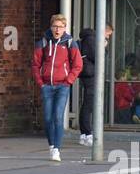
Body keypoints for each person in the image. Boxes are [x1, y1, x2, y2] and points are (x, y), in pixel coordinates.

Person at [33, 14, 82, 163]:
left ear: (64, 28)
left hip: (62, 86)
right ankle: (51, 144)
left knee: (58, 117)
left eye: (60, 27)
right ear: (51, 27)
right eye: (55, 26)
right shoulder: (43, 42)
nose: (57, 29)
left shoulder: (70, 43)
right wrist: (40, 83)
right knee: (47, 119)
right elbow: (35, 64)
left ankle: (57, 149)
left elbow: (78, 65)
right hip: (47, 85)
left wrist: (69, 81)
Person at [76, 22, 111, 146]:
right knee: (88, 104)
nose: (108, 37)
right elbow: (98, 57)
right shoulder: (91, 39)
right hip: (90, 75)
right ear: (104, 31)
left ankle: (85, 133)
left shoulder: (88, 38)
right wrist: (104, 47)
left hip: (88, 73)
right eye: (108, 34)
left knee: (88, 103)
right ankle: (87, 133)